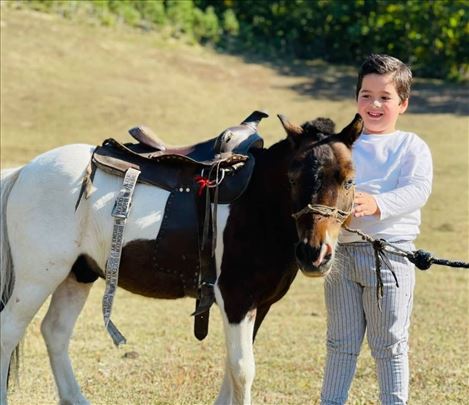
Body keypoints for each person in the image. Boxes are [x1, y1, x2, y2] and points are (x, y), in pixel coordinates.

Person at [320, 54, 433, 404]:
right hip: (341, 258)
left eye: (385, 97)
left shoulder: (410, 146)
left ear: (403, 104)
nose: (374, 104)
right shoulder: (342, 145)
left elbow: (418, 189)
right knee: (340, 343)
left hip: (389, 258)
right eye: (366, 95)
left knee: (390, 345)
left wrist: (377, 204)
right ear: (356, 99)